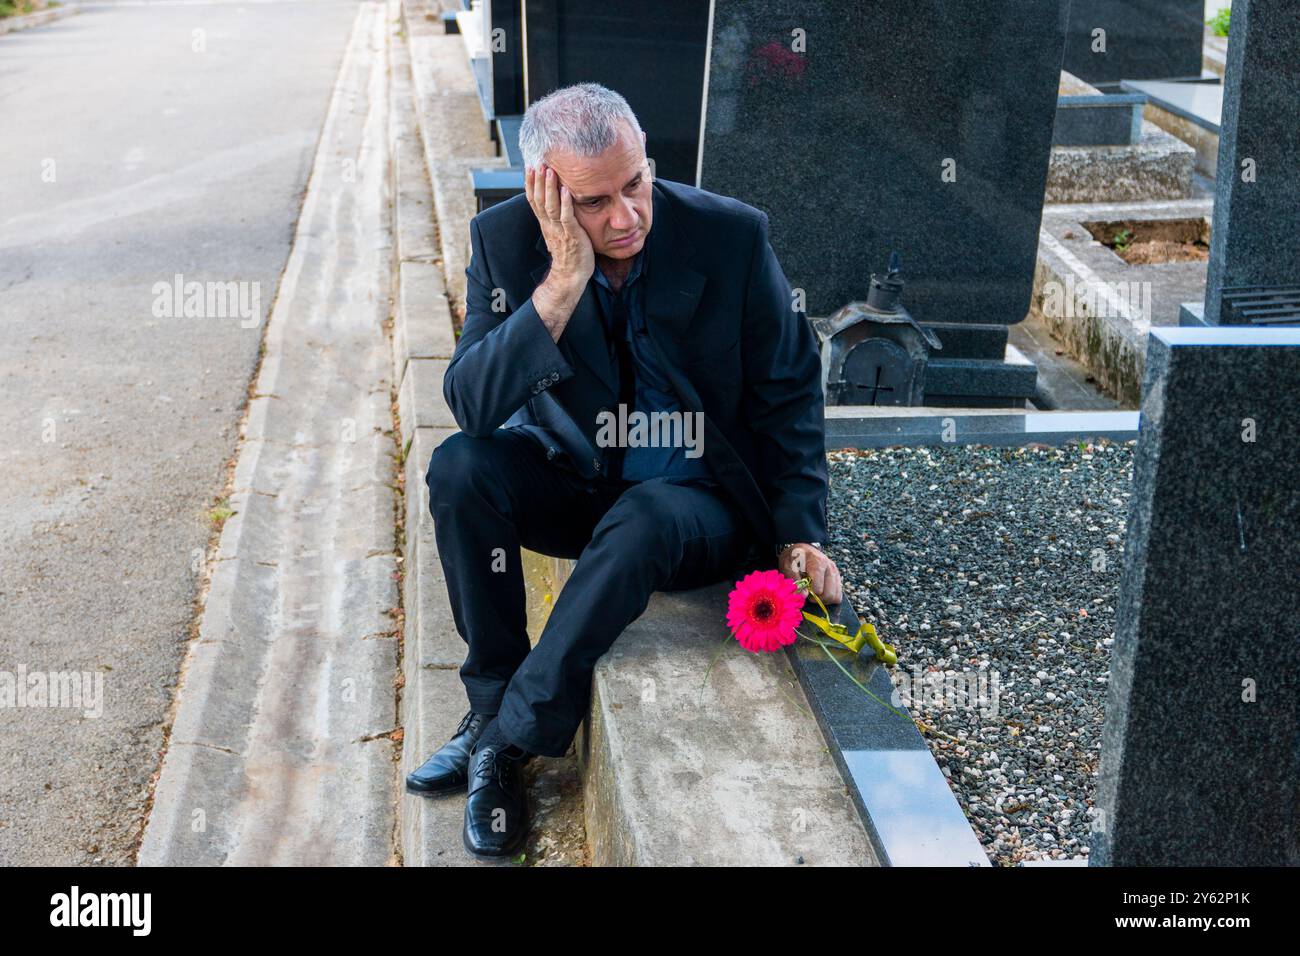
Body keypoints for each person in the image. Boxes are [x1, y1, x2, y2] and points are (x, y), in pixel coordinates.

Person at [405, 82, 843, 858]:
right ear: (544, 190)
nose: (625, 216)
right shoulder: (506, 245)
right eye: (594, 201)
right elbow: (471, 402)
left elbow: (788, 392)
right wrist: (561, 285)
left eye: (634, 184)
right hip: (575, 483)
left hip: (694, 502)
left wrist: (802, 532)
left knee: (643, 519)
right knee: (460, 469)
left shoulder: (730, 236)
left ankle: (508, 743)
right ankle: (489, 700)